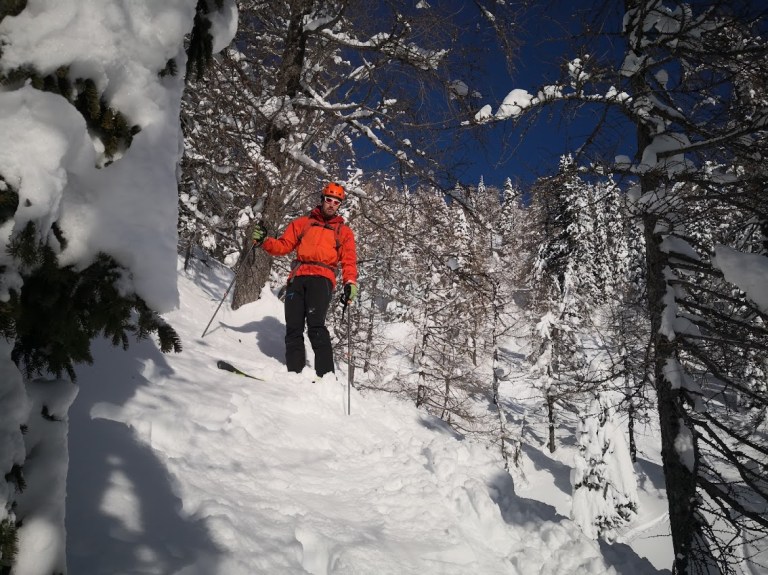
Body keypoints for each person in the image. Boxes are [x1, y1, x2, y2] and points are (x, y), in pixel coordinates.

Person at [251, 182, 358, 377]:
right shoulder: (302, 223)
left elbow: (349, 261)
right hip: (298, 278)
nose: (332, 205)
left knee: (316, 325)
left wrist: (350, 283)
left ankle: (326, 377)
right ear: (322, 200)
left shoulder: (343, 232)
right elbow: (283, 246)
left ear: (339, 205)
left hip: (322, 279)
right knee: (293, 327)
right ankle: (295, 374)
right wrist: (265, 241)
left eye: (336, 202)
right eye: (329, 200)